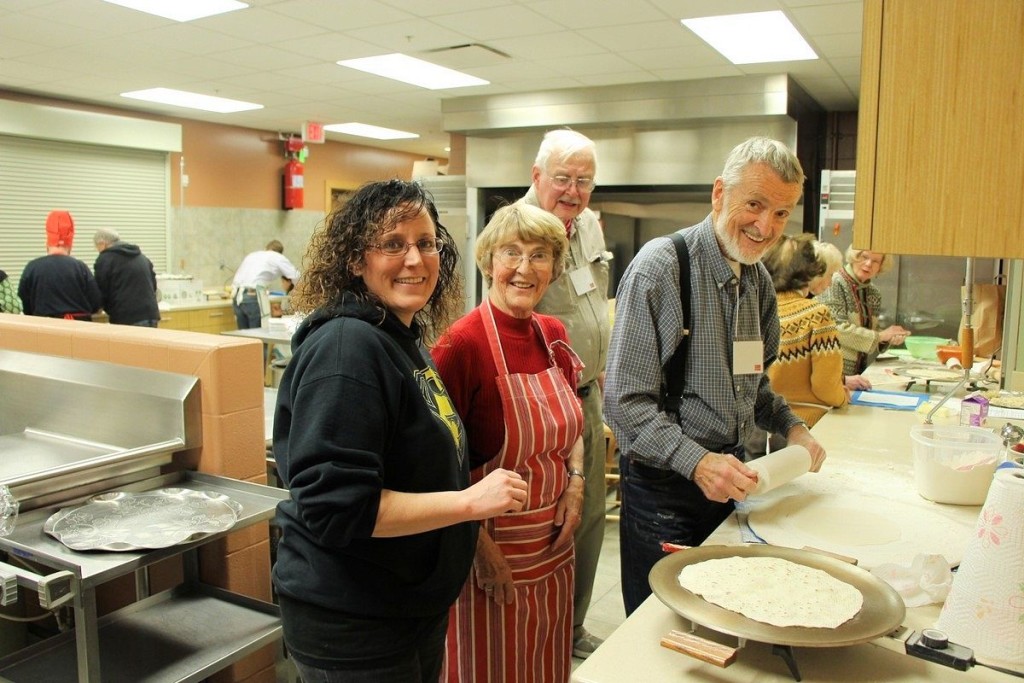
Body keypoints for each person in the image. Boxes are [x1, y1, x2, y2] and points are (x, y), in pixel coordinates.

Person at [271, 180, 528, 683]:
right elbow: (338, 508)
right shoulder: (348, 349)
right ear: (354, 259)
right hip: (356, 624)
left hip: (403, 608)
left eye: (425, 242)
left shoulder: (397, 335)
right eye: (393, 244)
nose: (415, 259)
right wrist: (470, 503)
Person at [604, 137, 827, 615]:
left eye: (782, 213)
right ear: (719, 193)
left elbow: (752, 386)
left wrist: (794, 428)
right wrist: (698, 462)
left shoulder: (758, 282)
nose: (765, 226)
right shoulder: (661, 270)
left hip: (731, 483)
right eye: (755, 204)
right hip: (665, 489)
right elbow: (625, 404)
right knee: (660, 627)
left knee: (716, 618)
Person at [432, 202, 585, 682]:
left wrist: (576, 484)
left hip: (552, 544)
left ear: (554, 268)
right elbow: (436, 466)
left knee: (544, 663)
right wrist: (478, 548)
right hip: (489, 548)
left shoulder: (553, 334)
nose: (524, 268)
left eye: (539, 255)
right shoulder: (460, 345)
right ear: (488, 261)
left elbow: (573, 425)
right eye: (511, 253)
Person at [521, 128, 610, 659]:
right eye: (562, 178)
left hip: (586, 391)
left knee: (590, 515)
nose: (573, 190)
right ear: (537, 178)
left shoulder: (588, 226)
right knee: (541, 517)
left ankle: (572, 630)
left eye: (584, 180)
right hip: (539, 400)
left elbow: (590, 297)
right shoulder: (519, 229)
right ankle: (539, 632)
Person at [749, 234, 851, 454]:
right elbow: (825, 386)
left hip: (755, 428)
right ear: (809, 273)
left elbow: (748, 378)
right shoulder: (816, 315)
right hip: (805, 426)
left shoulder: (753, 312)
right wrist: (843, 396)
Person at [817, 247, 910, 376]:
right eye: (864, 257)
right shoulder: (834, 282)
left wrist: (887, 339)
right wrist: (881, 336)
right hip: (831, 372)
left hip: (857, 374)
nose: (868, 264)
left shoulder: (874, 293)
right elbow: (836, 329)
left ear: (881, 267)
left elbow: (872, 331)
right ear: (854, 257)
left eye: (875, 261)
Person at [18, 210, 102, 321]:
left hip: (44, 328)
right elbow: (96, 302)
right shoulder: (80, 267)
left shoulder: (32, 267)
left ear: (47, 243)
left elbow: (24, 302)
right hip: (79, 328)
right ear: (70, 246)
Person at [92, 228, 161, 327]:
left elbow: (101, 289)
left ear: (102, 244)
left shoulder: (105, 259)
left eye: (97, 246)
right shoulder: (141, 256)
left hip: (126, 317)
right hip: (150, 314)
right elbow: (153, 285)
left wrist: (98, 307)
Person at [230, 239, 300, 329]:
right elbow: (296, 276)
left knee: (246, 339)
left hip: (236, 297)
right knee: (259, 336)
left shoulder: (252, 255)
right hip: (252, 297)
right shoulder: (277, 257)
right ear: (280, 253)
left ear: (266, 248)